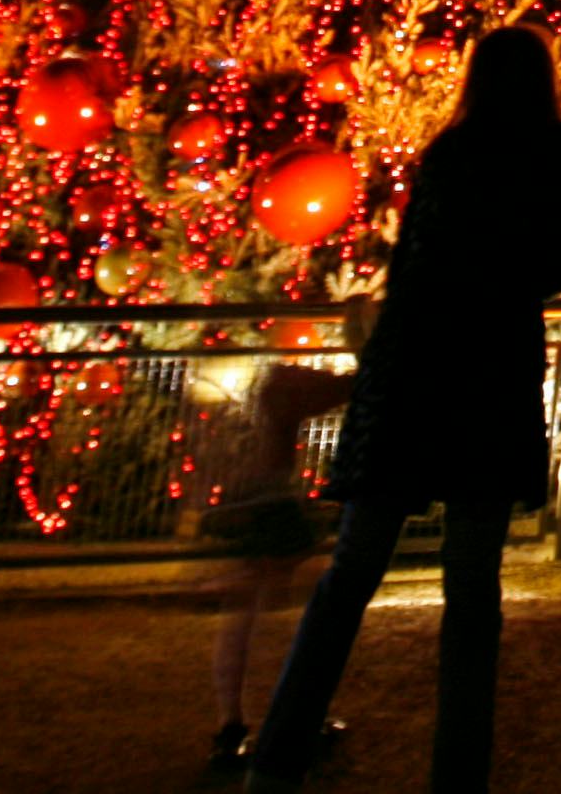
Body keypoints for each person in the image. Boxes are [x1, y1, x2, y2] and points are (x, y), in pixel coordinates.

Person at [244, 27, 561, 794]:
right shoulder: (551, 152)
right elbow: (555, 264)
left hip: (413, 365)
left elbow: (410, 264)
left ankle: (277, 756)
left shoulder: (446, 152)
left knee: (352, 570)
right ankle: (458, 774)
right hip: (488, 371)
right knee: (471, 585)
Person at [205, 309, 370, 773]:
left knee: (255, 608)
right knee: (293, 605)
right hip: (267, 498)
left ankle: (236, 722)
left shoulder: (270, 383)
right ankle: (281, 716)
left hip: (257, 495)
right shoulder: (280, 385)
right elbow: (331, 390)